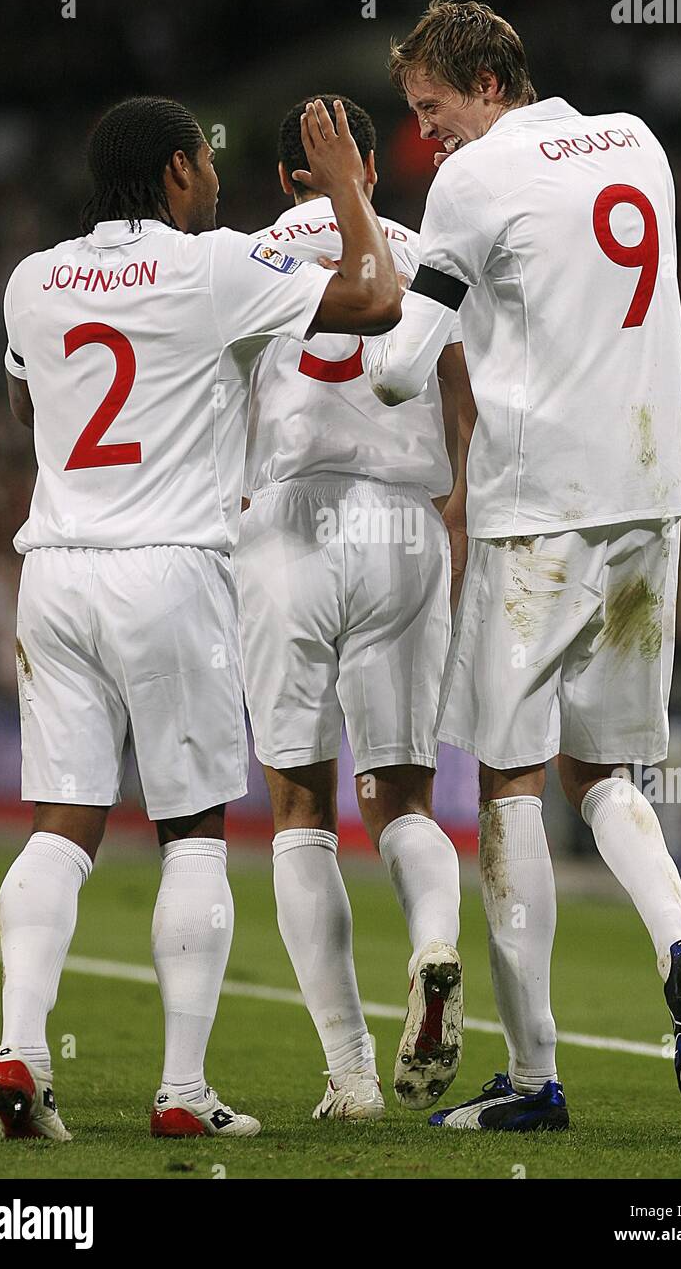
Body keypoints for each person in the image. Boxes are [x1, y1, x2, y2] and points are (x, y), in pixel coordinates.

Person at [0, 94, 400, 1141]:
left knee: (62, 820)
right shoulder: (211, 263)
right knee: (192, 833)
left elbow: (35, 403)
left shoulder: (31, 279)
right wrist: (349, 183)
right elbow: (374, 300)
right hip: (170, 570)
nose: (217, 178)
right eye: (206, 162)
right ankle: (181, 1089)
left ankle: (22, 1054)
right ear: (179, 170)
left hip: (55, 571)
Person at [364, 0, 681, 1132]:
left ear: (483, 80)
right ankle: (679, 949)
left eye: (431, 109)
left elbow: (395, 371)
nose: (428, 137)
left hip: (538, 516)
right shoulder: (636, 140)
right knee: (604, 771)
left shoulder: (472, 183)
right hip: (646, 496)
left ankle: (532, 1076)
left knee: (510, 777)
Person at [235, 94, 470, 1121]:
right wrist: (448, 503)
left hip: (287, 522)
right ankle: (431, 948)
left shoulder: (246, 259)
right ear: (371, 166)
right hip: (404, 526)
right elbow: (462, 388)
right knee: (403, 799)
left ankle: (350, 1074)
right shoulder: (428, 250)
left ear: (288, 178)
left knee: (298, 808)